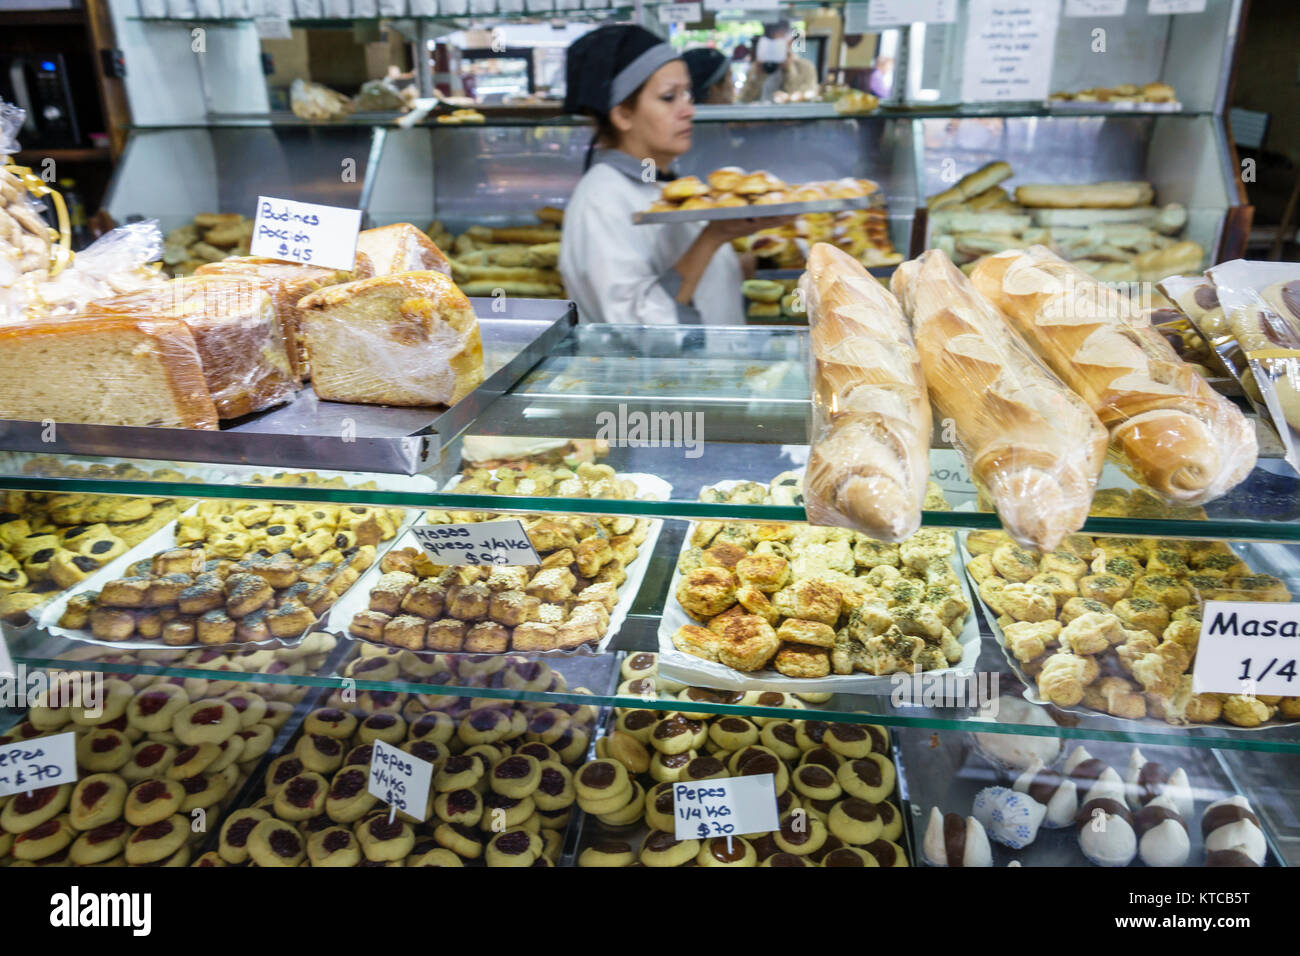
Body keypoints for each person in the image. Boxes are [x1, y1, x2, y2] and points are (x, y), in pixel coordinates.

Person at [559, 25, 782, 324]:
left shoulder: (663, 184)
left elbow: (689, 277)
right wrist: (714, 237)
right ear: (623, 114)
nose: (688, 110)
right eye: (668, 97)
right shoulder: (601, 201)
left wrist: (735, 265)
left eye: (687, 94)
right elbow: (641, 326)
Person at [740, 21, 818, 103]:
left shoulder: (805, 68)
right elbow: (744, 100)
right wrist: (758, 76)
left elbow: (802, 100)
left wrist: (788, 70)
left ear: (789, 42)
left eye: (778, 43)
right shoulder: (757, 67)